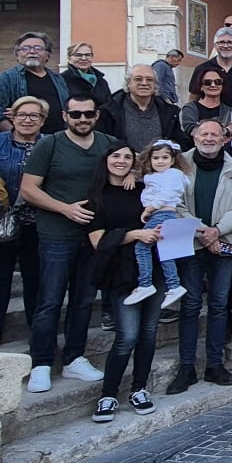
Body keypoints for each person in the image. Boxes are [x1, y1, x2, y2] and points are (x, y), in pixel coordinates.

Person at [18, 92, 120, 393]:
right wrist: (65, 208)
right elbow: (28, 189)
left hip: (93, 236)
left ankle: (75, 357)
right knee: (49, 300)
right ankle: (41, 362)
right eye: (76, 115)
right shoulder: (49, 144)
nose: (82, 120)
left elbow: (123, 171)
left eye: (88, 114)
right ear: (65, 116)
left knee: (84, 300)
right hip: (56, 234)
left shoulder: (107, 144)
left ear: (96, 116)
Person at [170, 118, 232, 394]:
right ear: (194, 137)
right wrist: (202, 231)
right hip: (189, 244)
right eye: (204, 134)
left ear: (224, 139)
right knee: (190, 306)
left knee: (218, 306)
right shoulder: (178, 165)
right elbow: (173, 204)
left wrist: (217, 230)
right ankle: (186, 367)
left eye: (214, 135)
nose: (209, 139)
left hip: (222, 244)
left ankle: (214, 364)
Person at [84, 144, 162, 423]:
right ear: (105, 160)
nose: (121, 161)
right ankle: (108, 394)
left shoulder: (144, 191)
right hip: (121, 273)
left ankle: (139, 389)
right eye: (116, 156)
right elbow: (98, 241)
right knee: (127, 335)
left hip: (153, 269)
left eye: (127, 157)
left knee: (149, 332)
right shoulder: (96, 197)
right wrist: (136, 234)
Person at [0, 95, 48, 350]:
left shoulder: (50, 145)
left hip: (38, 222)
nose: (28, 120)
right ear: (12, 118)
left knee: (35, 278)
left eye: (34, 116)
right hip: (0, 221)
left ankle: (36, 330)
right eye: (22, 115)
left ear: (42, 121)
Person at [125, 140, 189, 307]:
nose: (160, 161)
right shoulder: (155, 176)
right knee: (165, 251)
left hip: (162, 214)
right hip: (159, 214)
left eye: (165, 157)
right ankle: (174, 285)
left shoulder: (174, 174)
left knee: (141, 246)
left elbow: (168, 193)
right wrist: (132, 174)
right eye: (156, 158)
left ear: (173, 160)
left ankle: (145, 283)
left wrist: (149, 209)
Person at [0, 33, 72, 133]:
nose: (32, 51)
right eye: (25, 48)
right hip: (24, 144)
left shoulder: (58, 79)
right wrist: (16, 135)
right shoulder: (6, 78)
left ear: (47, 55)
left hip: (56, 139)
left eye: (38, 48)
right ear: (17, 55)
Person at [97, 64, 182, 152]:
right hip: (123, 163)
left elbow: (179, 142)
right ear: (128, 83)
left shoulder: (169, 112)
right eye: (138, 79)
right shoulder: (109, 111)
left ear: (155, 85)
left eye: (149, 80)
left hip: (158, 164)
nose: (144, 83)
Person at [191, 28, 232, 104]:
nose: (226, 46)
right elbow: (193, 98)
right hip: (209, 115)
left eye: (230, 42)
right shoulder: (201, 69)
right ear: (215, 46)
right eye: (221, 42)